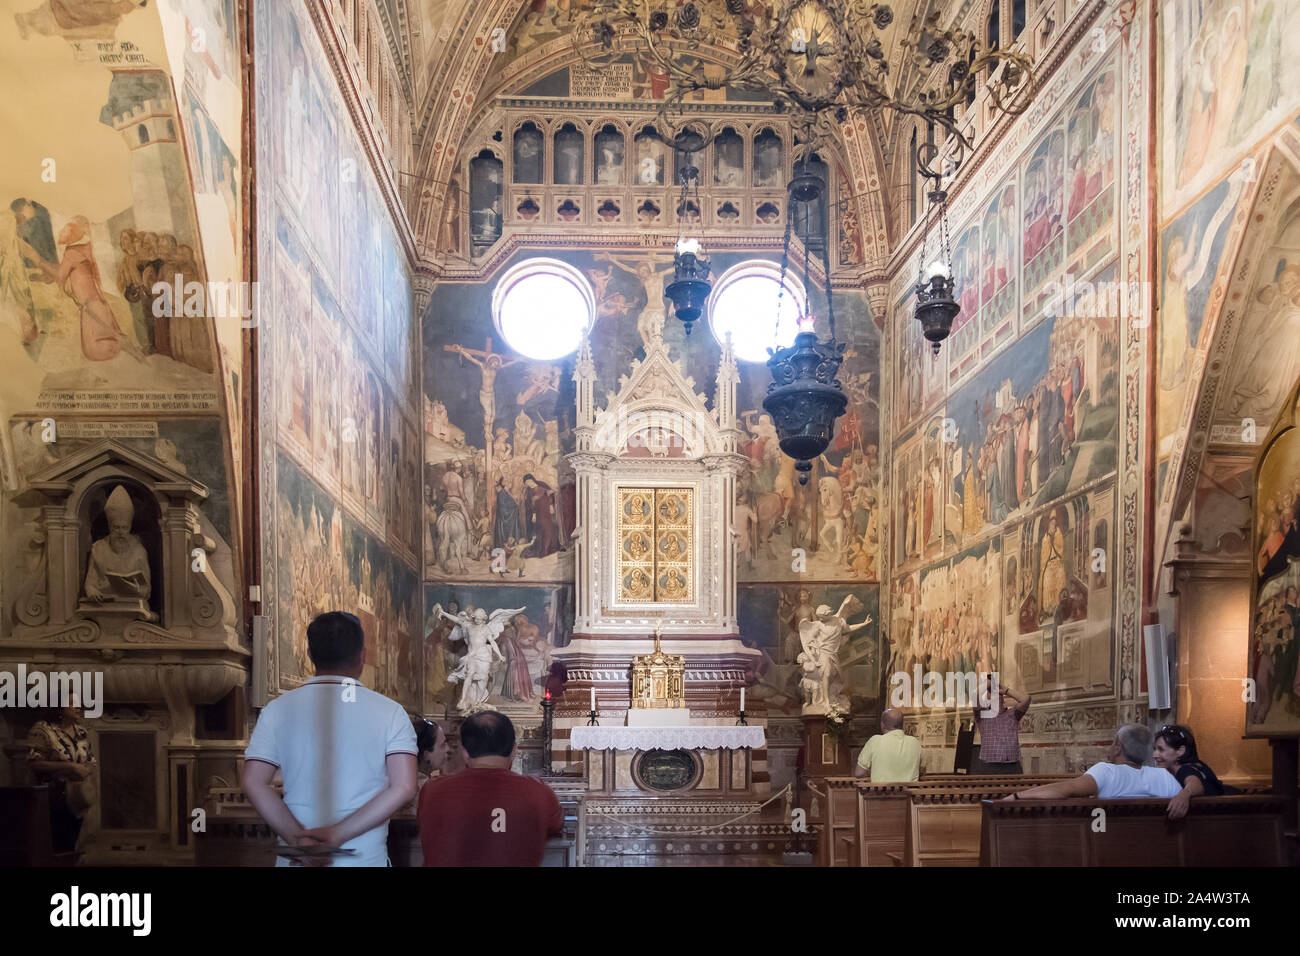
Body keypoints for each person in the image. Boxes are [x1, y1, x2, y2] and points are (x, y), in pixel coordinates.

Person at [242, 612, 418, 866]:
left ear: (310, 655)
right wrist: (336, 835)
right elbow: (404, 787)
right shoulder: (391, 712)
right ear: (362, 656)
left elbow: (253, 782)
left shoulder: (276, 710)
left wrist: (300, 842)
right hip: (363, 860)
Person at [417, 711, 562, 866]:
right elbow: (555, 827)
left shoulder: (432, 791)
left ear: (465, 753)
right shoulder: (540, 793)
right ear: (514, 750)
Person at [1003, 724, 1182, 801]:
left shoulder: (1107, 772)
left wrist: (1017, 796)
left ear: (1118, 747)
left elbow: (1065, 790)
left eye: (1113, 743)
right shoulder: (1164, 777)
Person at [27, 702, 96, 855]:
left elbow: (90, 760)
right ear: (59, 708)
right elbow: (34, 764)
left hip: (78, 797)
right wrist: (70, 767)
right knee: (59, 845)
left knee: (72, 844)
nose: (78, 707)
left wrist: (86, 770)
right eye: (72, 703)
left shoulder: (81, 731)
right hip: (55, 796)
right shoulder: (43, 730)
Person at [1153, 724, 1229, 819]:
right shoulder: (1195, 763)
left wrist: (1184, 795)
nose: (1154, 755)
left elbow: (1195, 785)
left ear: (1180, 751)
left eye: (1161, 749)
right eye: (1154, 749)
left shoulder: (1185, 769)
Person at [971, 675, 1030, 773]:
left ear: (1003, 701)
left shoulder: (1012, 714)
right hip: (989, 766)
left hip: (1012, 765)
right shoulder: (982, 715)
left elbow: (1026, 699)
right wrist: (988, 683)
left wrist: (1005, 690)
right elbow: (974, 696)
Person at [854, 708, 921, 782]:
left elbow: (859, 773)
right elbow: (922, 769)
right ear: (902, 724)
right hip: (908, 793)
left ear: (882, 725)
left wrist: (873, 771)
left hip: (881, 793)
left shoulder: (875, 741)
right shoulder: (915, 743)